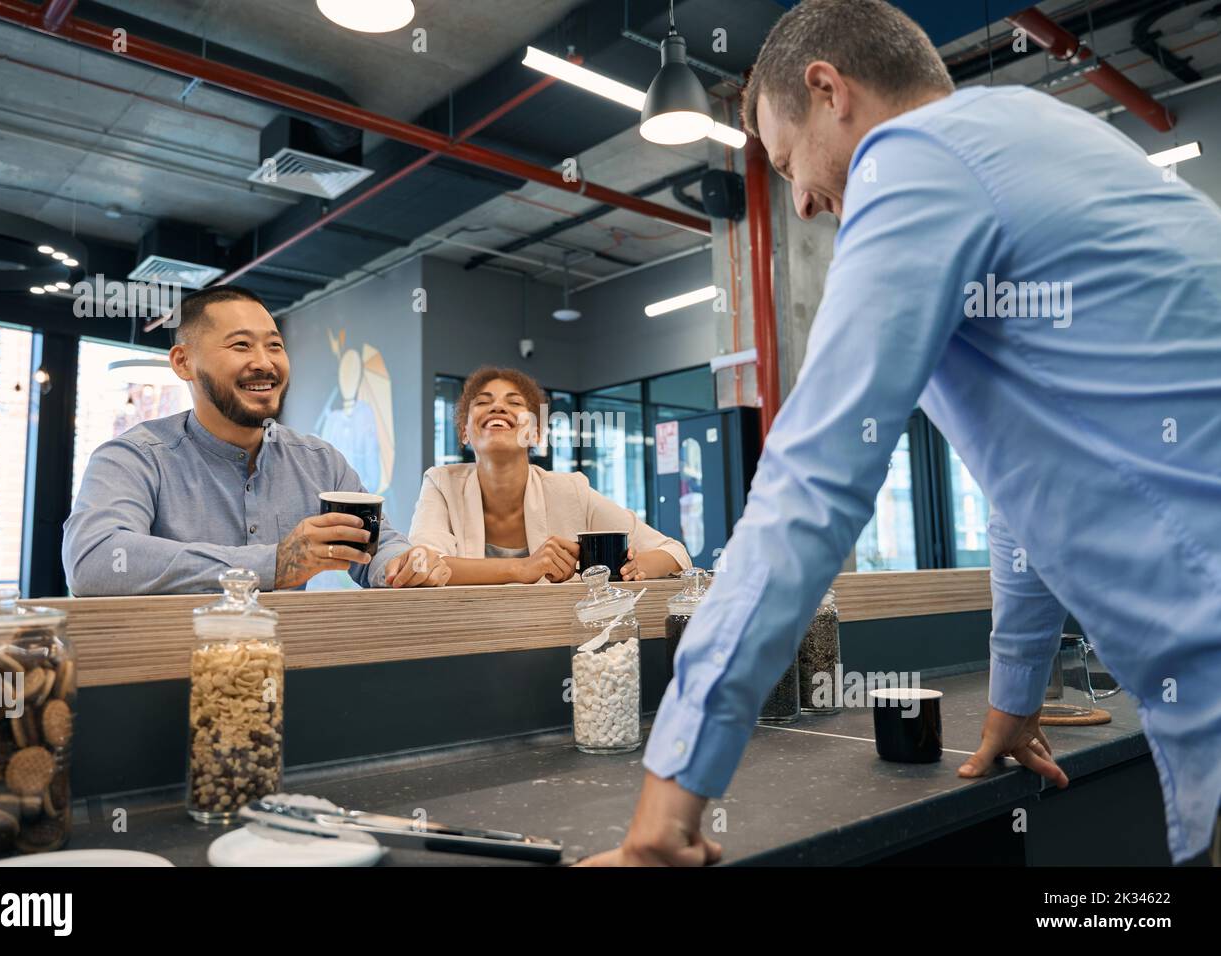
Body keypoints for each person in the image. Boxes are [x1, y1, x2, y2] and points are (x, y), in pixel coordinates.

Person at [583, 0, 1221, 866]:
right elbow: (1026, 491)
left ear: (828, 90)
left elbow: (812, 482)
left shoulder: (914, 159)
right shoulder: (1037, 132)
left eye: (784, 160)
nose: (801, 202)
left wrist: (666, 811)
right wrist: (1016, 698)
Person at [63, 285, 450, 595]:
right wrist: (272, 564)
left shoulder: (319, 461)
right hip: (170, 673)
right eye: (241, 345)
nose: (265, 362)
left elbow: (378, 545)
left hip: (294, 667)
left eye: (275, 345)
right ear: (183, 362)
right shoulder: (137, 456)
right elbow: (95, 560)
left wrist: (406, 564)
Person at [409, 367, 690, 584]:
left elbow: (675, 553)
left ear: (536, 433)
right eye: (483, 402)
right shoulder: (441, 483)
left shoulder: (571, 491)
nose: (498, 407)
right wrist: (522, 567)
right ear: (464, 431)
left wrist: (636, 567)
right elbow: (423, 564)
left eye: (515, 403)